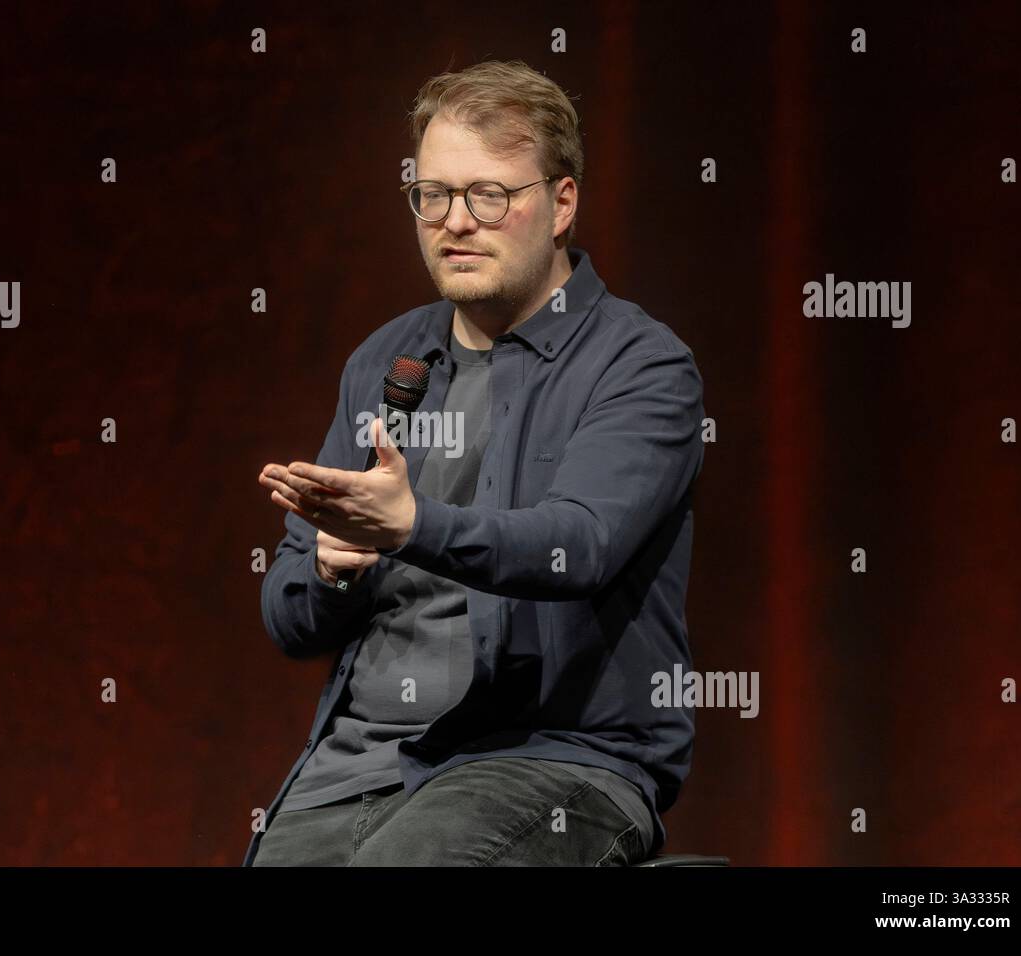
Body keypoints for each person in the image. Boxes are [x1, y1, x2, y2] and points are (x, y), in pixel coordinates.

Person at [249, 59, 705, 866]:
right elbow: (288, 618)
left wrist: (411, 524)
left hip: (549, 758)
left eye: (491, 195)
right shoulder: (387, 361)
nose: (456, 222)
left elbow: (579, 545)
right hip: (359, 764)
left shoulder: (640, 364)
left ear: (562, 203)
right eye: (433, 195)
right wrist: (334, 567)